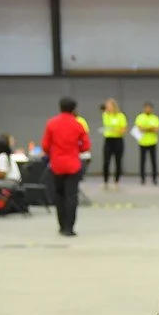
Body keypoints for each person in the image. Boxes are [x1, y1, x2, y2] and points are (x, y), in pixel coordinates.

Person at [41, 96, 89, 237]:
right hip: (73, 165)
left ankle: (61, 225)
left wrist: (54, 152)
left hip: (57, 165)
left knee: (59, 195)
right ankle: (70, 227)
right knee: (71, 196)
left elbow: (45, 146)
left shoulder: (51, 123)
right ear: (74, 109)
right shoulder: (78, 124)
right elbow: (85, 146)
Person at [99, 97, 127, 188]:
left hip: (118, 140)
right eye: (106, 105)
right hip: (108, 140)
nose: (107, 107)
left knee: (118, 161)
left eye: (109, 105)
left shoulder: (120, 116)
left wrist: (113, 129)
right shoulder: (105, 115)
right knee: (106, 161)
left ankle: (117, 181)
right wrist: (113, 129)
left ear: (113, 106)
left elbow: (123, 130)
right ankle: (105, 181)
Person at [135, 101, 159, 184]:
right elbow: (139, 128)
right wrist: (150, 128)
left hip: (152, 142)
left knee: (153, 161)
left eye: (149, 108)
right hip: (142, 142)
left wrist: (145, 128)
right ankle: (142, 179)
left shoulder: (155, 118)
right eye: (146, 108)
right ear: (144, 108)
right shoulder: (140, 117)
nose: (148, 109)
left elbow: (157, 129)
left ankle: (154, 179)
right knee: (142, 161)